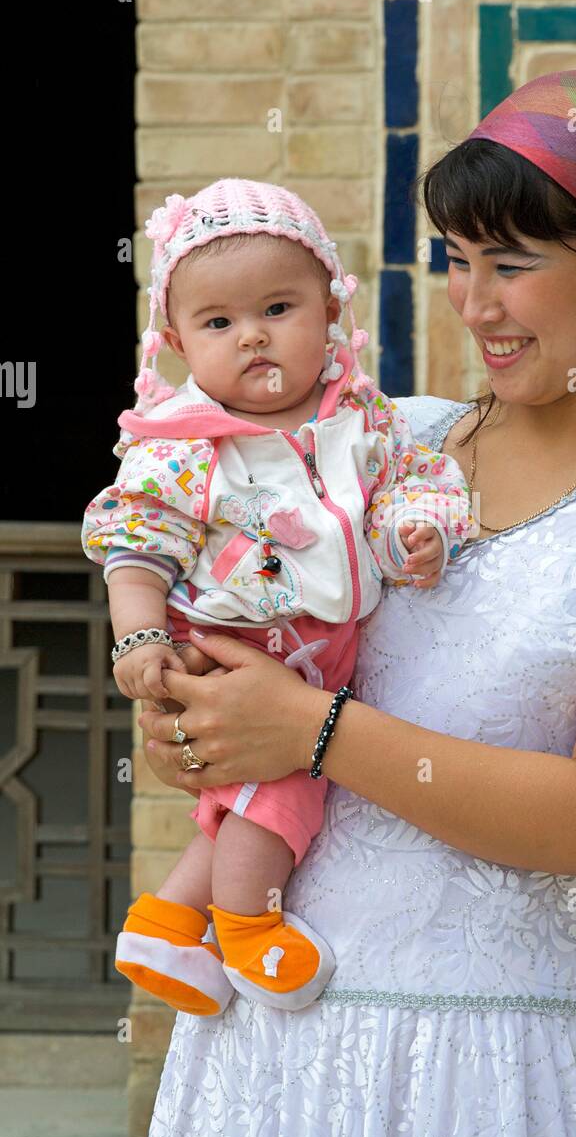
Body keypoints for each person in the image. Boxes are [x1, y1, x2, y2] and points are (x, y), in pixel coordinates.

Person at [138, 70, 576, 1137]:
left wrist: (308, 731)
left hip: (490, 1069)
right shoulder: (386, 439)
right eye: (458, 262)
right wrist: (191, 715)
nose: (474, 305)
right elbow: (227, 630)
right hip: (258, 1048)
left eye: (512, 265)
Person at [82, 178, 472, 1017]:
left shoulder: (366, 417)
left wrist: (420, 528)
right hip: (238, 648)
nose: (252, 336)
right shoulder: (183, 446)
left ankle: (165, 922)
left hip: (319, 655)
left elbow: (416, 478)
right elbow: (134, 549)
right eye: (219, 323)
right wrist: (137, 640)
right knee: (284, 786)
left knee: (240, 795)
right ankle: (249, 929)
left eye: (279, 308)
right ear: (179, 341)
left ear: (331, 311)